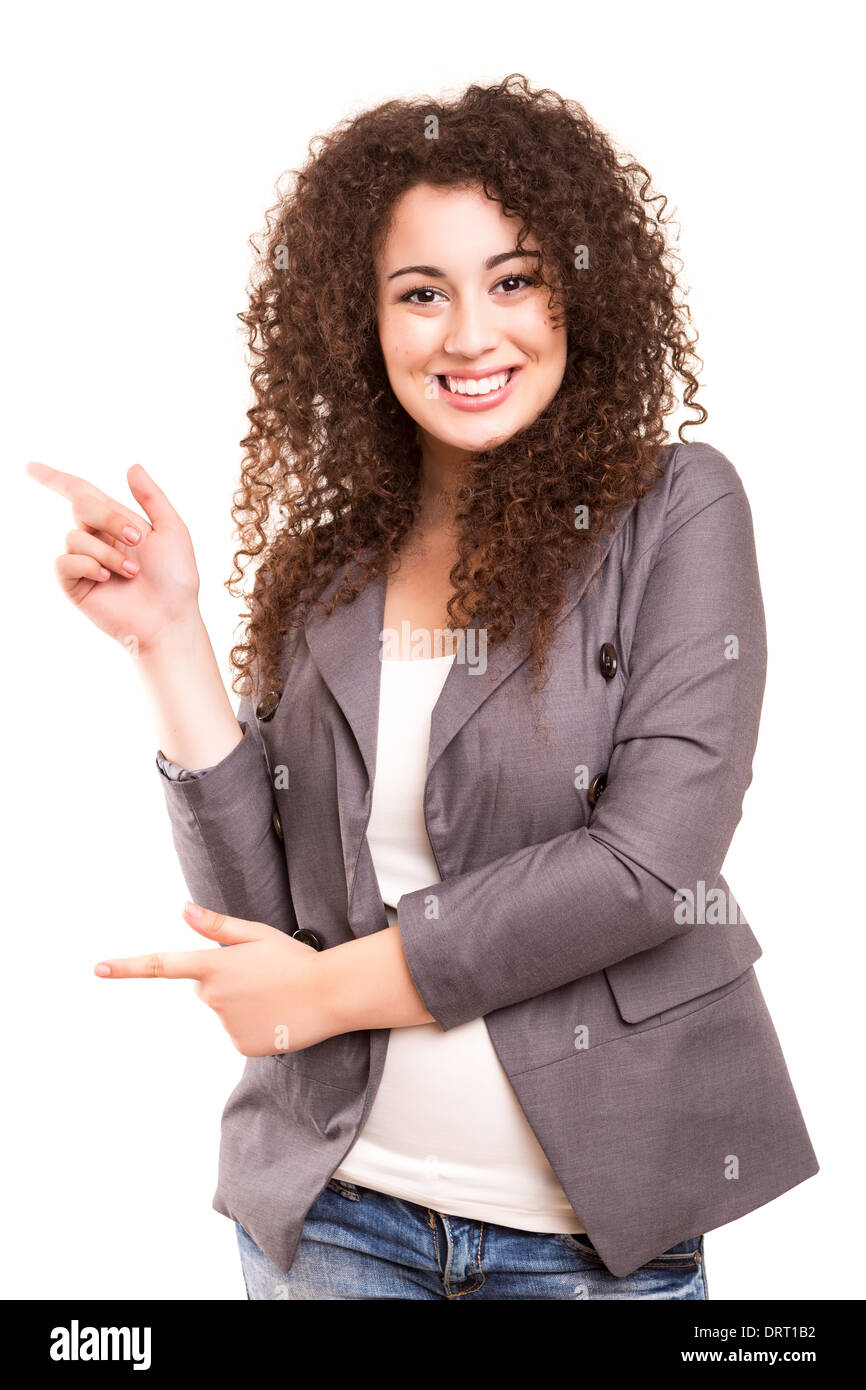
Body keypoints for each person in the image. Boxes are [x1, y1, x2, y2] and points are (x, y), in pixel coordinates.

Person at [28, 74, 818, 1300]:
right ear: (365, 324)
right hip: (337, 1221)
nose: (467, 335)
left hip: (585, 1244)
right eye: (419, 293)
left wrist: (318, 995)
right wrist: (166, 637)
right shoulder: (338, 560)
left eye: (510, 280)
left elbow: (650, 866)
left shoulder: (675, 509)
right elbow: (266, 912)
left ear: (576, 293)